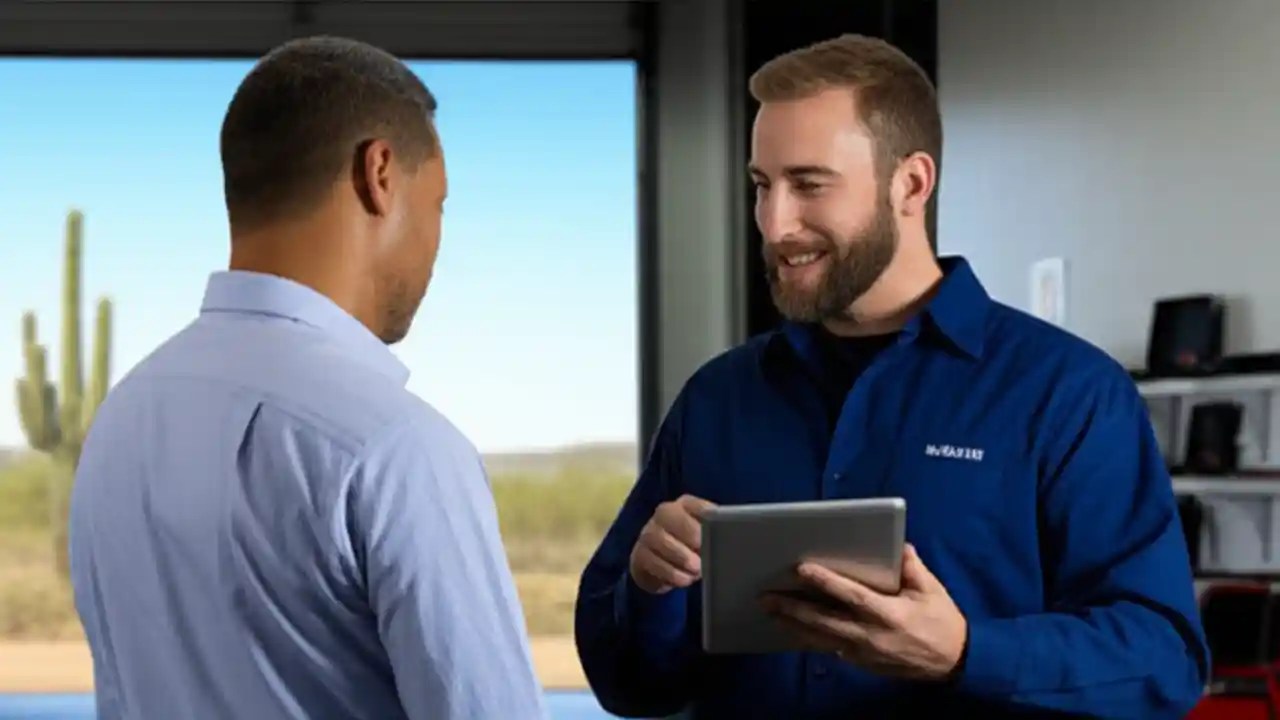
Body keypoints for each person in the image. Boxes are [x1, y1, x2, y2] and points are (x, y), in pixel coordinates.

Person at [575, 33, 1209, 719]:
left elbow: (1163, 662)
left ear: (910, 183)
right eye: (762, 186)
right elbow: (628, 686)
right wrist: (649, 588)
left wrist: (966, 651)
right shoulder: (718, 398)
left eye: (808, 184)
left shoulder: (1070, 395)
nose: (775, 222)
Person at [68, 36, 546, 720]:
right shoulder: (395, 448)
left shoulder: (119, 422)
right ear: (379, 173)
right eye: (439, 205)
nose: (437, 246)